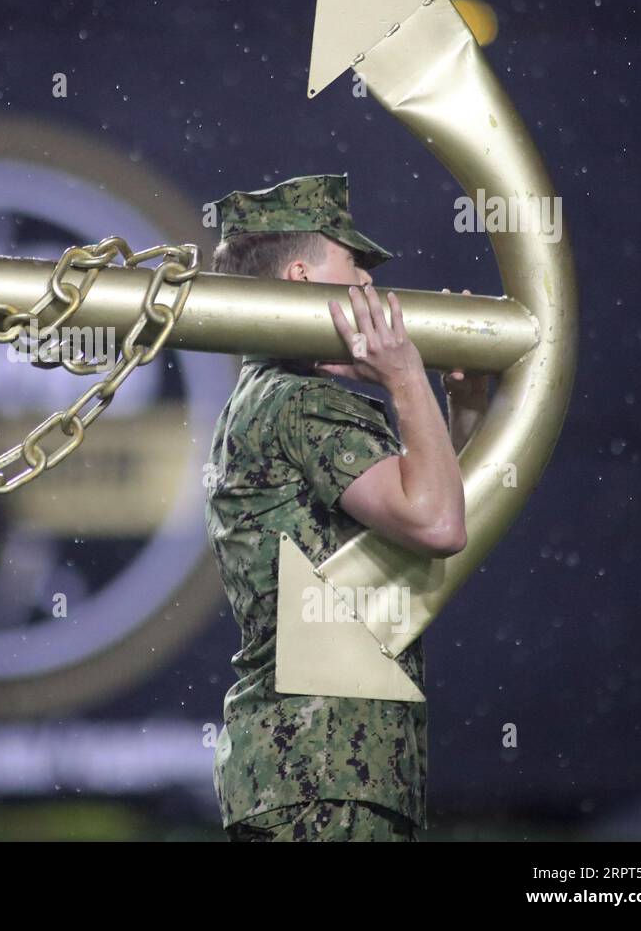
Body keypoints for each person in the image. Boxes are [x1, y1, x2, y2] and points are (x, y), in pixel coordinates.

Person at [204, 173, 490, 842]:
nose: (369, 287)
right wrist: (405, 373)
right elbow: (437, 523)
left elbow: (426, 517)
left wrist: (462, 404)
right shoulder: (302, 402)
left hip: (317, 773)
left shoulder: (271, 396)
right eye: (353, 265)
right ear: (303, 280)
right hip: (323, 778)